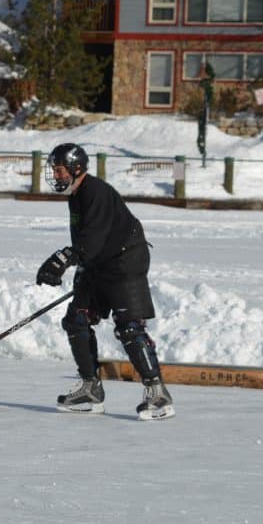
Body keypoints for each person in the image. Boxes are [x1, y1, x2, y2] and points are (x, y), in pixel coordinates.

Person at [36, 143, 174, 421]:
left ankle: (158, 394)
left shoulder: (95, 191)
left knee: (129, 328)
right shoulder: (76, 196)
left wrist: (65, 258)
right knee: (77, 319)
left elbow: (93, 239)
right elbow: (87, 243)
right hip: (99, 261)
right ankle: (90, 389)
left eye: (59, 169)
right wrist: (71, 263)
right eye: (53, 169)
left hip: (125, 261)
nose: (55, 174)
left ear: (76, 168)